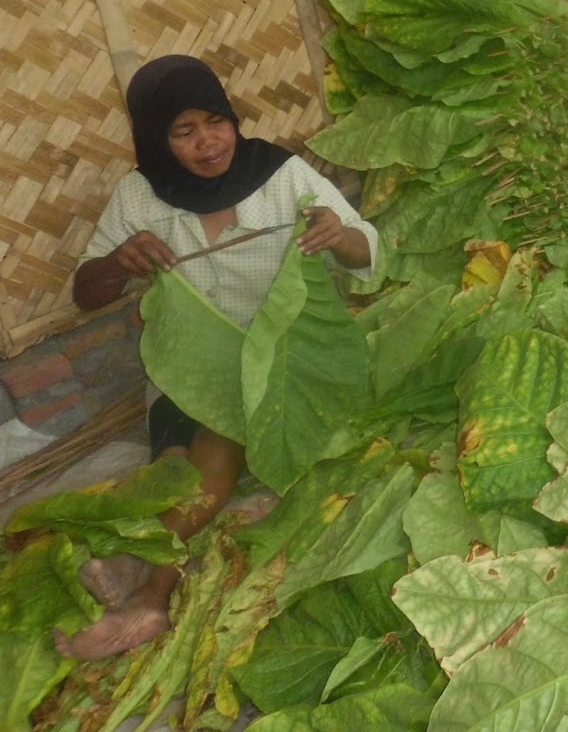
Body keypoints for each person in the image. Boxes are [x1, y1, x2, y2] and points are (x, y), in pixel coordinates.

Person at [61, 55, 377, 660]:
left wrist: (340, 235)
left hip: (283, 355)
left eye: (216, 122)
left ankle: (150, 592)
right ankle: (144, 568)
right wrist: (118, 260)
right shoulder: (139, 195)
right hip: (189, 363)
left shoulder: (283, 176)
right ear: (157, 139)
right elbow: (86, 292)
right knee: (174, 466)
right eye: (184, 132)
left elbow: (367, 251)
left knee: (217, 448)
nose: (208, 143)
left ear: (233, 119)